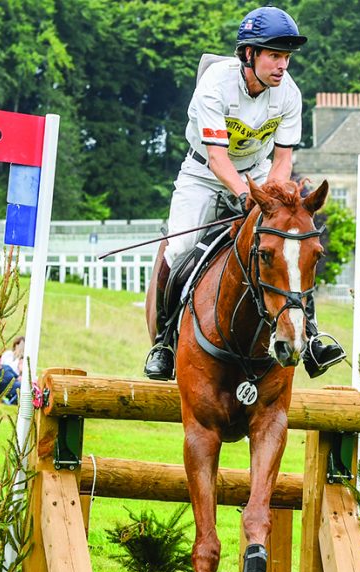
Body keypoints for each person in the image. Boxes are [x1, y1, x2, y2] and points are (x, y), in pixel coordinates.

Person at [143, 6, 311, 380]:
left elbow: (283, 161)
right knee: (180, 249)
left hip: (259, 177)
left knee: (286, 246)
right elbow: (218, 158)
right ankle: (164, 342)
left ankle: (310, 336)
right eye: (274, 56)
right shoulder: (216, 83)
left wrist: (272, 197)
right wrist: (245, 195)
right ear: (249, 54)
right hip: (203, 174)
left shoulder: (289, 94)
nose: (283, 66)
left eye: (286, 57)